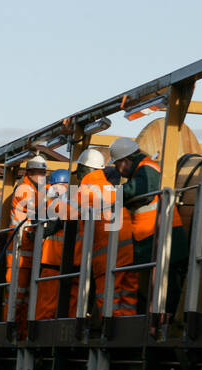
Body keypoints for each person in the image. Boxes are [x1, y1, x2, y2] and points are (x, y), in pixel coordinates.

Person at [109, 136, 187, 316]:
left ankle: (163, 318)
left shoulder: (147, 169)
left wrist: (112, 196)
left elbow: (140, 192)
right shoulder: (143, 170)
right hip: (154, 237)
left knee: (167, 283)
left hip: (161, 236)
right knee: (160, 282)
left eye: (117, 164)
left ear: (126, 160)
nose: (117, 170)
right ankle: (158, 317)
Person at [71, 149, 134, 317]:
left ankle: (111, 330)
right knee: (127, 293)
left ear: (84, 169)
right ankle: (128, 326)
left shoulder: (85, 189)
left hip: (106, 253)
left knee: (107, 295)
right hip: (128, 251)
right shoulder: (111, 188)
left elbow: (67, 212)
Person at [6, 156, 48, 323]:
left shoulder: (38, 190)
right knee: (16, 297)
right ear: (29, 173)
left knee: (28, 299)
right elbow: (40, 209)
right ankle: (10, 330)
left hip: (31, 253)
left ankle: (21, 333)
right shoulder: (24, 189)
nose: (42, 176)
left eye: (44, 173)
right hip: (19, 253)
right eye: (39, 173)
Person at [36, 168, 72, 320]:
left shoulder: (61, 203)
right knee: (49, 303)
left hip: (58, 260)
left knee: (50, 302)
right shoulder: (53, 202)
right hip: (56, 260)